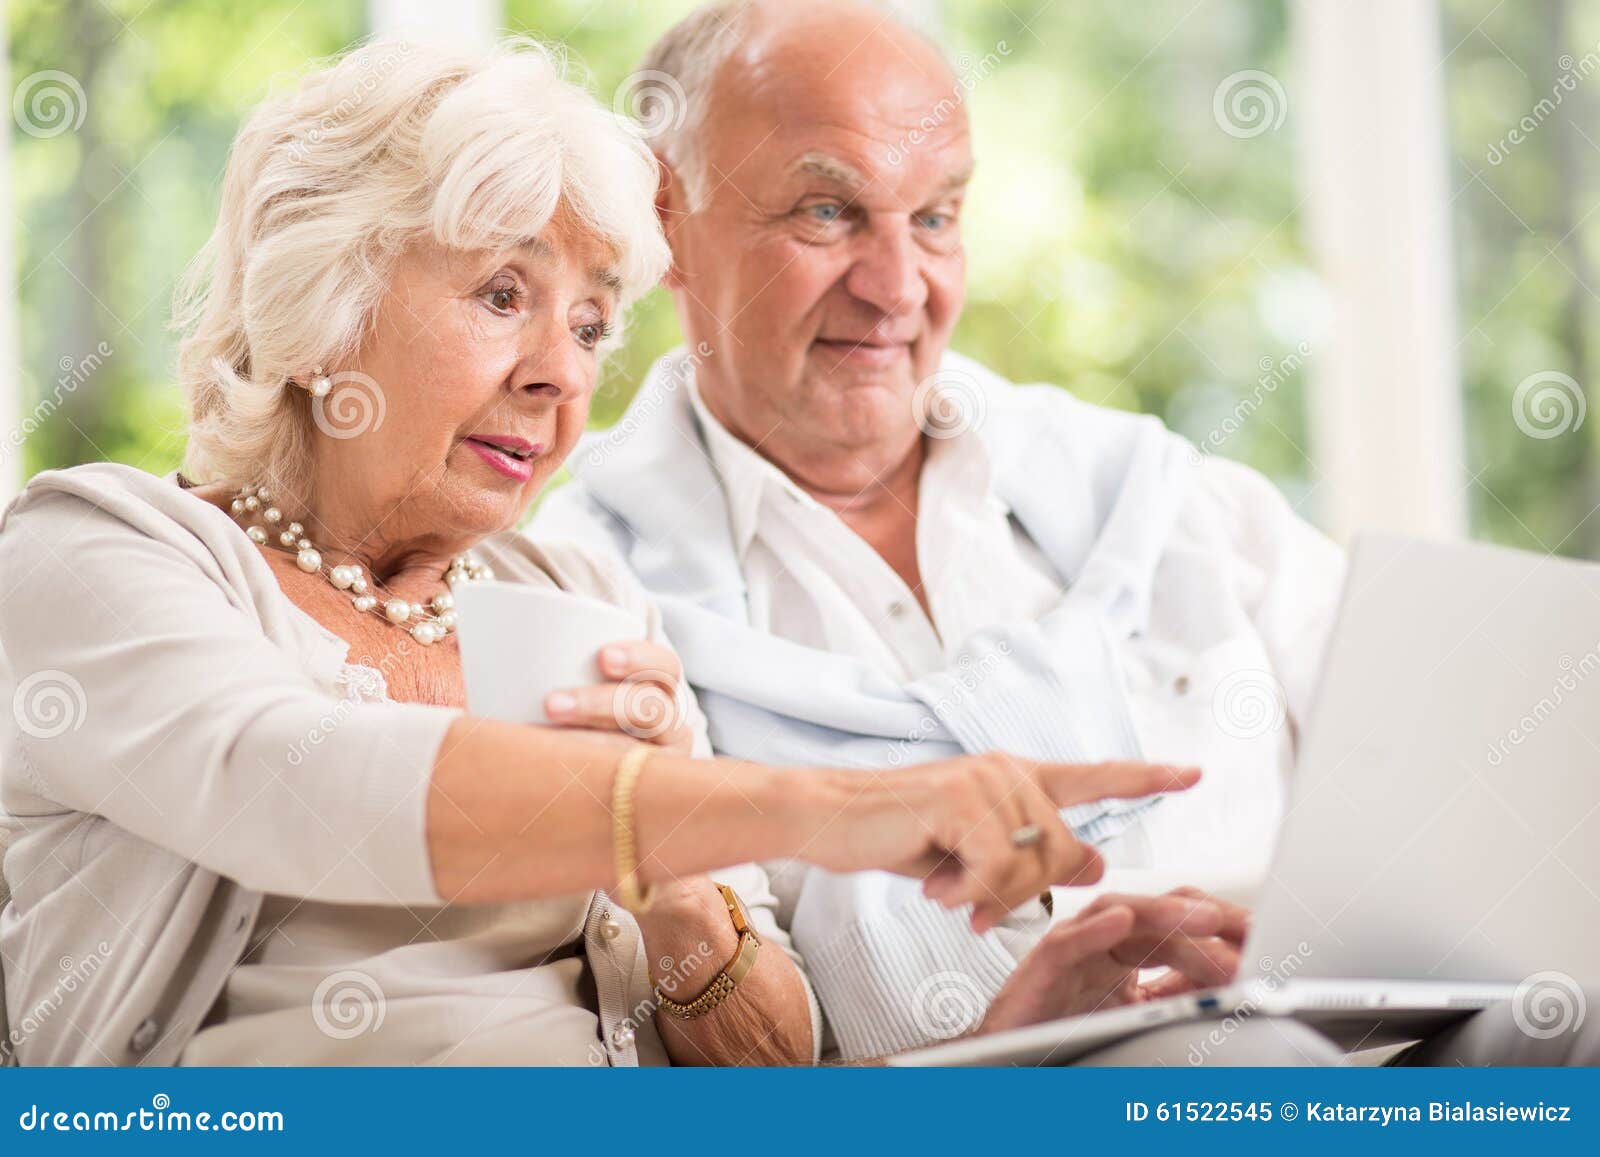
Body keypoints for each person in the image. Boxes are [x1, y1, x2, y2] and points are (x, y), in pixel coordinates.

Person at [0, 36, 1189, 1068]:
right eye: (502, 293)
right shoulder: (99, 553)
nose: (561, 374)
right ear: (322, 303)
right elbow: (299, 783)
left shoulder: (573, 591)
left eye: (587, 323)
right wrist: (817, 807)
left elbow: (769, 1080)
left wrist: (677, 881)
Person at [535, 0, 1600, 1066]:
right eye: (827, 212)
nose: (899, 287)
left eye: (937, 217)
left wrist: (1301, 964)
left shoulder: (1155, 496)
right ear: (664, 220)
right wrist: (1010, 1061)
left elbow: (1469, 808)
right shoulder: (592, 609)